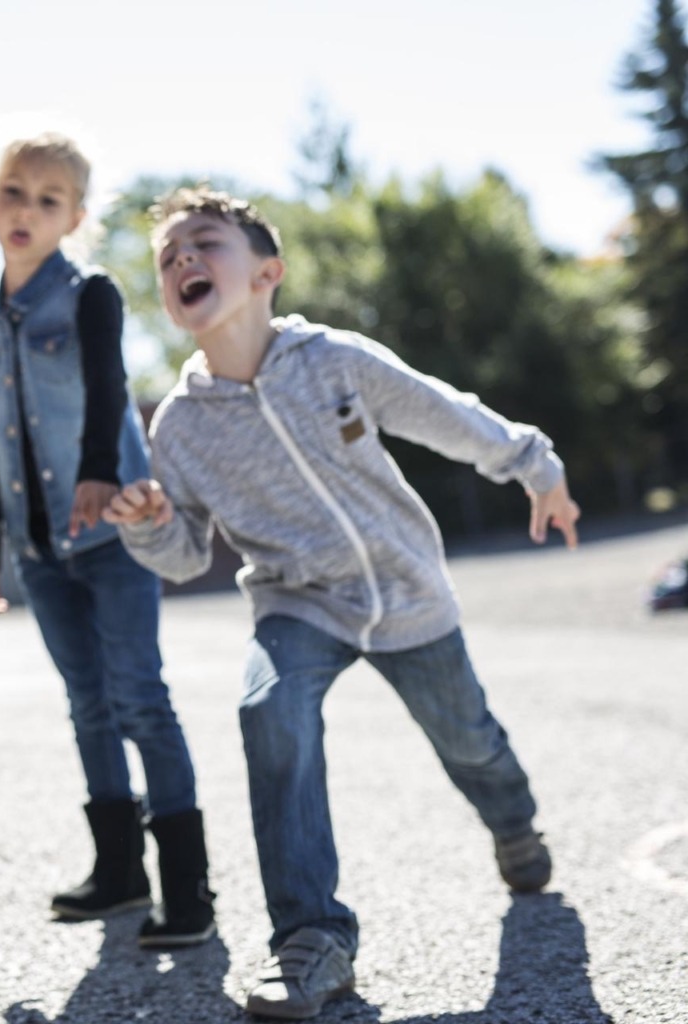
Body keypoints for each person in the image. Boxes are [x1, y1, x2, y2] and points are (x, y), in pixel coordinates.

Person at [105, 186, 578, 1019]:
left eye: (204, 243)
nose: (182, 259)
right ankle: (311, 942)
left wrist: (534, 463)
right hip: (299, 604)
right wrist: (147, 526)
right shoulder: (177, 427)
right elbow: (181, 556)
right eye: (168, 254)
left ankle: (515, 825)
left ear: (266, 273)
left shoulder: (334, 361)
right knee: (270, 708)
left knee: (469, 741)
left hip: (405, 588)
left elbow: (445, 414)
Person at [0, 133, 214, 947]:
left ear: (74, 217)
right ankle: (118, 875)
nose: (26, 210)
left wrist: (102, 475)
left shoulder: (91, 294)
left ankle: (189, 891)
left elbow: (109, 388)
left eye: (47, 198)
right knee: (87, 705)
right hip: (38, 551)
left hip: (112, 538)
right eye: (13, 191)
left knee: (139, 696)